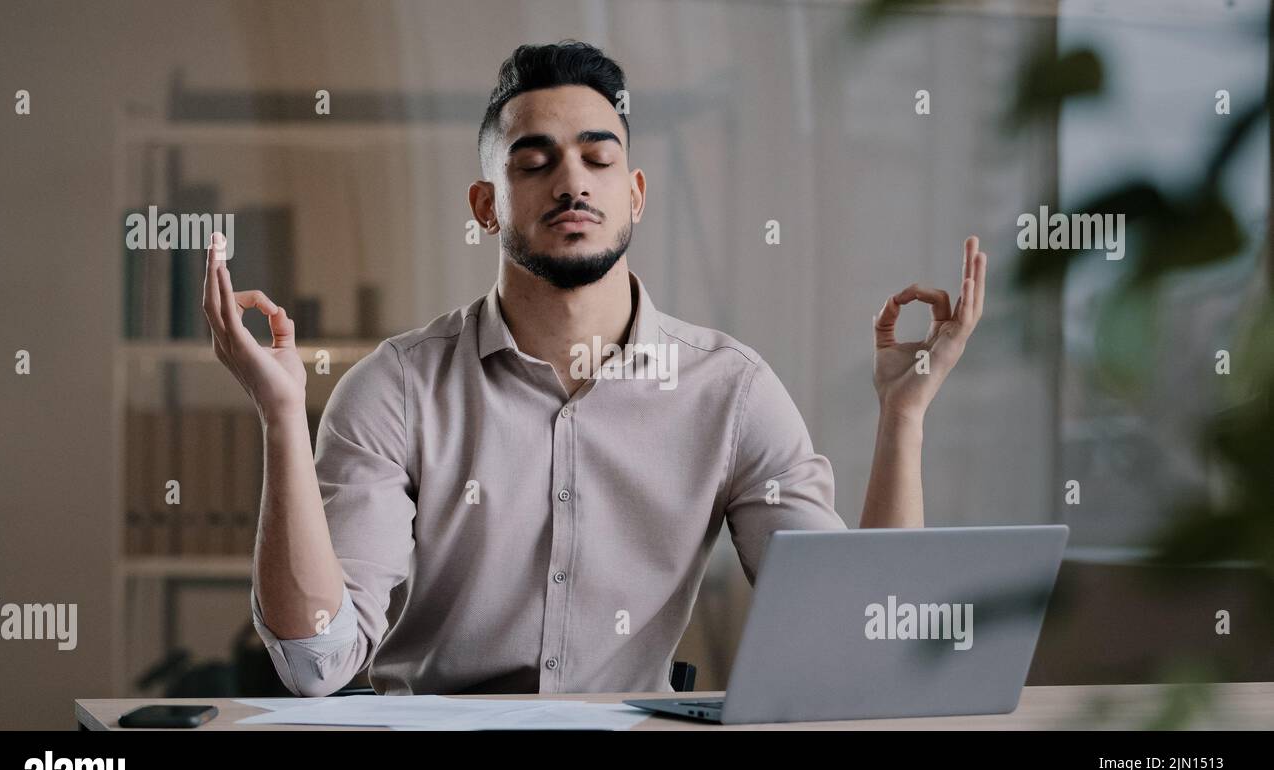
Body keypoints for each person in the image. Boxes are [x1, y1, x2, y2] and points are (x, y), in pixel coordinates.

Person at [201, 40, 987, 697]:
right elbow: (315, 662)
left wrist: (904, 416)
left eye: (597, 158)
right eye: (534, 161)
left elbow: (864, 646)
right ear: (486, 207)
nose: (571, 181)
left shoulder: (731, 392)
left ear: (636, 194)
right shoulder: (394, 390)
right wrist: (279, 417)